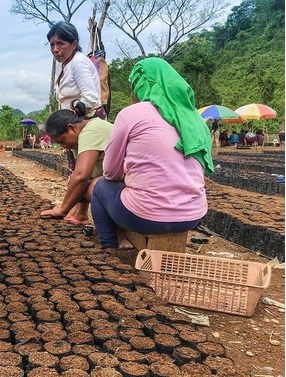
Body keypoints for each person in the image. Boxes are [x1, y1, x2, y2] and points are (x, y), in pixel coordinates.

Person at [88, 57, 211, 255]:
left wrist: (128, 173)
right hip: (192, 215)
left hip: (144, 215)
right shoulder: (195, 119)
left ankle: (109, 249)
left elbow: (110, 172)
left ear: (141, 84)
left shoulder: (131, 114)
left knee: (100, 186)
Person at [47, 21, 105, 224]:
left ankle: (78, 211)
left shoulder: (79, 62)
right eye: (52, 44)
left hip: (84, 123)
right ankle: (80, 212)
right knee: (81, 169)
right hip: (74, 124)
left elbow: (90, 97)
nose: (55, 49)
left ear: (74, 44)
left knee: (87, 170)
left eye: (60, 44)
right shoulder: (67, 64)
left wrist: (73, 117)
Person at [39, 101, 112, 225]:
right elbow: (81, 176)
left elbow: (81, 176)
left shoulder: (91, 131)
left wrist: (63, 209)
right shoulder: (82, 136)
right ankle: (81, 215)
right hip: (122, 181)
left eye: (62, 141)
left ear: (71, 128)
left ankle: (115, 234)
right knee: (77, 182)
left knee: (91, 187)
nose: (64, 146)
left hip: (134, 185)